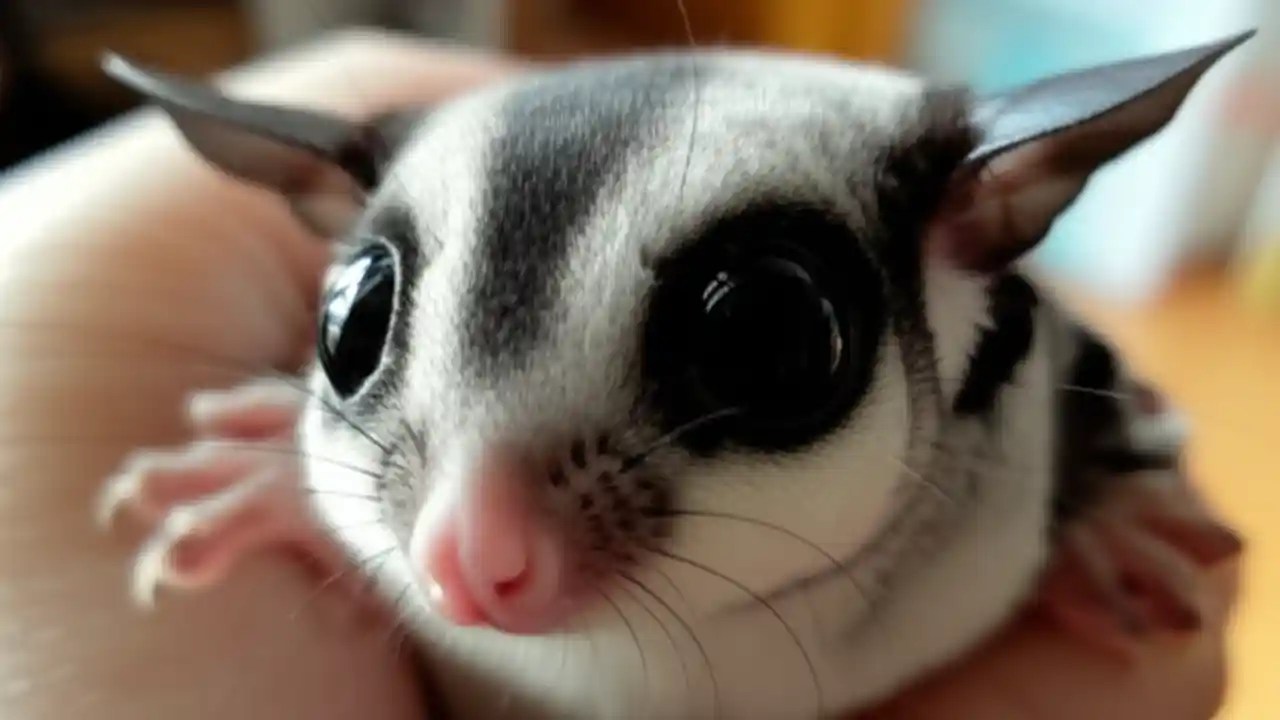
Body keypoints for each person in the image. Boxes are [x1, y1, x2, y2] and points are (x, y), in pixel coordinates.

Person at [0, 29, 1240, 719]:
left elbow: (1095, 383)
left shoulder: (1015, 400)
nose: (462, 547)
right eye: (363, 328)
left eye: (756, 341)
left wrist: (1106, 488)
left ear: (969, 229)